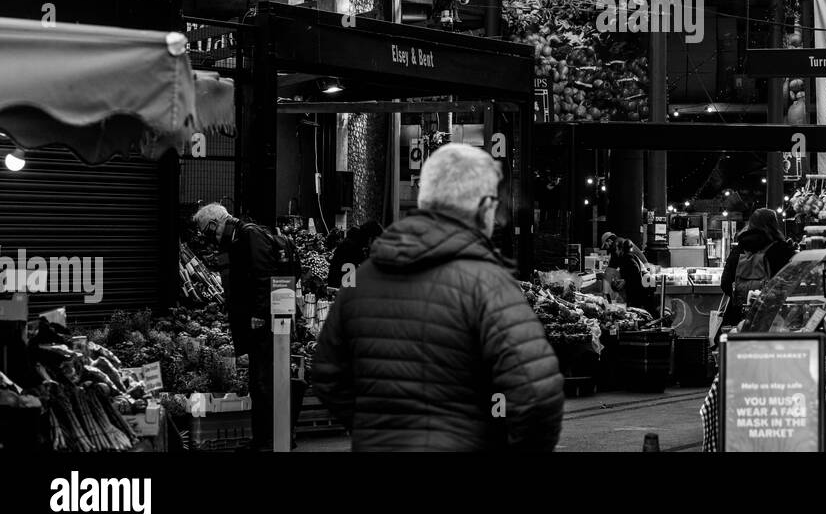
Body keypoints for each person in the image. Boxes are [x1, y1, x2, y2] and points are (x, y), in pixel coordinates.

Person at [312, 144, 564, 451]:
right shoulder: (488, 283)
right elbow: (538, 395)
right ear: (482, 207)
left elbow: (327, 375)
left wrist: (376, 428)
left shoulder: (362, 280)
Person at [191, 203, 301, 450]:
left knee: (264, 380)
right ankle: (268, 438)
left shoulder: (249, 234)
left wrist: (259, 314)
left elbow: (264, 275)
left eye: (207, 231)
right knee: (261, 380)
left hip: (267, 321)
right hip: (266, 319)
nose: (209, 238)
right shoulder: (239, 238)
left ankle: (271, 439)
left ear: (214, 224)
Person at [720, 208, 796, 328]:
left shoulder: (739, 248)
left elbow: (725, 283)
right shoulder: (781, 249)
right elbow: (790, 283)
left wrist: (742, 297)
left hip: (738, 317)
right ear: (774, 224)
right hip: (772, 317)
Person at [601, 232, 657, 312]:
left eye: (606, 246)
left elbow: (610, 272)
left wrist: (605, 292)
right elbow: (642, 263)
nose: (607, 249)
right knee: (647, 308)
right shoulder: (625, 244)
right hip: (648, 281)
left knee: (636, 310)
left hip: (641, 284)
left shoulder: (617, 247)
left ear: (609, 241)